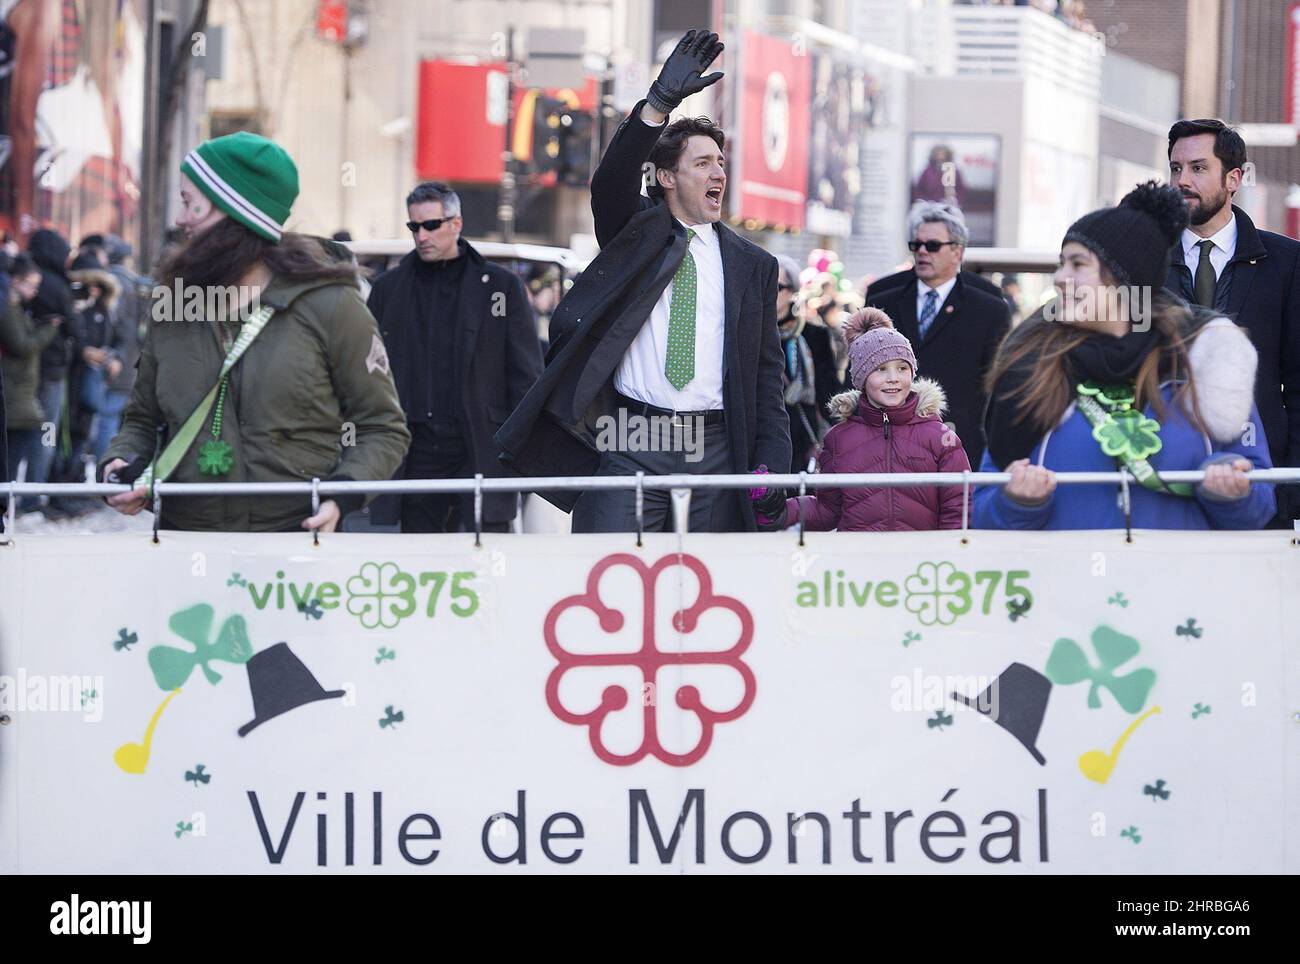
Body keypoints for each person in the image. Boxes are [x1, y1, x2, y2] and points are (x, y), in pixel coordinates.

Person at [495, 29, 790, 532]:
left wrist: (771, 463)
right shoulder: (636, 233)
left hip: (716, 446)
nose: (718, 173)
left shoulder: (753, 266)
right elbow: (610, 182)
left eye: (721, 163)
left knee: (708, 593)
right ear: (666, 177)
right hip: (629, 439)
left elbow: (766, 377)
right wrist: (657, 106)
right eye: (702, 163)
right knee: (610, 577)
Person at [101, 131, 410, 532]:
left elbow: (382, 427)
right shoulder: (173, 303)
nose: (179, 220)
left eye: (191, 205)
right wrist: (121, 461)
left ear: (236, 216)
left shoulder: (330, 305)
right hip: (186, 545)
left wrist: (341, 494)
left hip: (291, 548)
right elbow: (141, 418)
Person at [976, 182, 1275, 531]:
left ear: (1123, 279)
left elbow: (1261, 505)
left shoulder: (1206, 362)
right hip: (1065, 581)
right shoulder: (1030, 367)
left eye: (1077, 265)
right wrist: (1017, 502)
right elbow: (982, 508)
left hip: (1179, 581)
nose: (1060, 278)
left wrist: (1230, 490)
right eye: (1061, 264)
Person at [365, 181, 542, 533]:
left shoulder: (500, 287)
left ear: (456, 224)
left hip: (479, 443)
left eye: (431, 225)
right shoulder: (389, 289)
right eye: (414, 227)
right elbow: (369, 369)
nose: (421, 236)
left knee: (486, 555)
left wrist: (520, 446)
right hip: (416, 448)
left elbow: (525, 375)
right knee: (419, 560)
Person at [1165, 118, 1300, 522]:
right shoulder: (1145, 262)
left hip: (1260, 480)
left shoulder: (1288, 264)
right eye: (1175, 168)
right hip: (1162, 481)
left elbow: (1297, 387)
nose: (1182, 180)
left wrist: (1290, 490)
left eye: (1199, 168)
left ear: (1233, 178)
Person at [760, 308, 970, 532]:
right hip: (857, 559)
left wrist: (951, 551)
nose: (893, 379)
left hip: (922, 561)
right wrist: (780, 510)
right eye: (880, 369)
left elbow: (957, 506)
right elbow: (828, 509)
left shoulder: (940, 437)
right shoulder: (838, 439)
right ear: (861, 377)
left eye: (902, 368)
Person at [866, 201, 1010, 469]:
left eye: (932, 246)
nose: (922, 251)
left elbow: (998, 385)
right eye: (916, 245)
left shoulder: (990, 308)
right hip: (886, 444)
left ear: (958, 251)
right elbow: (860, 371)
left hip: (958, 445)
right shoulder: (881, 297)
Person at [1, 253, 56, 505]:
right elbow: (23, 345)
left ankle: (21, 499)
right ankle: (26, 500)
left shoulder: (14, 309)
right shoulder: (7, 310)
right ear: (16, 281)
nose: (34, 292)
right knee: (40, 435)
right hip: (15, 395)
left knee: (25, 445)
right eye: (31, 285)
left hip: (20, 394)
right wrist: (50, 329)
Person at [774, 254, 818, 473]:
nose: (769, 291)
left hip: (800, 435)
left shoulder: (815, 335)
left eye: (777, 286)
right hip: (763, 435)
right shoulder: (751, 333)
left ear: (792, 293)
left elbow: (827, 391)